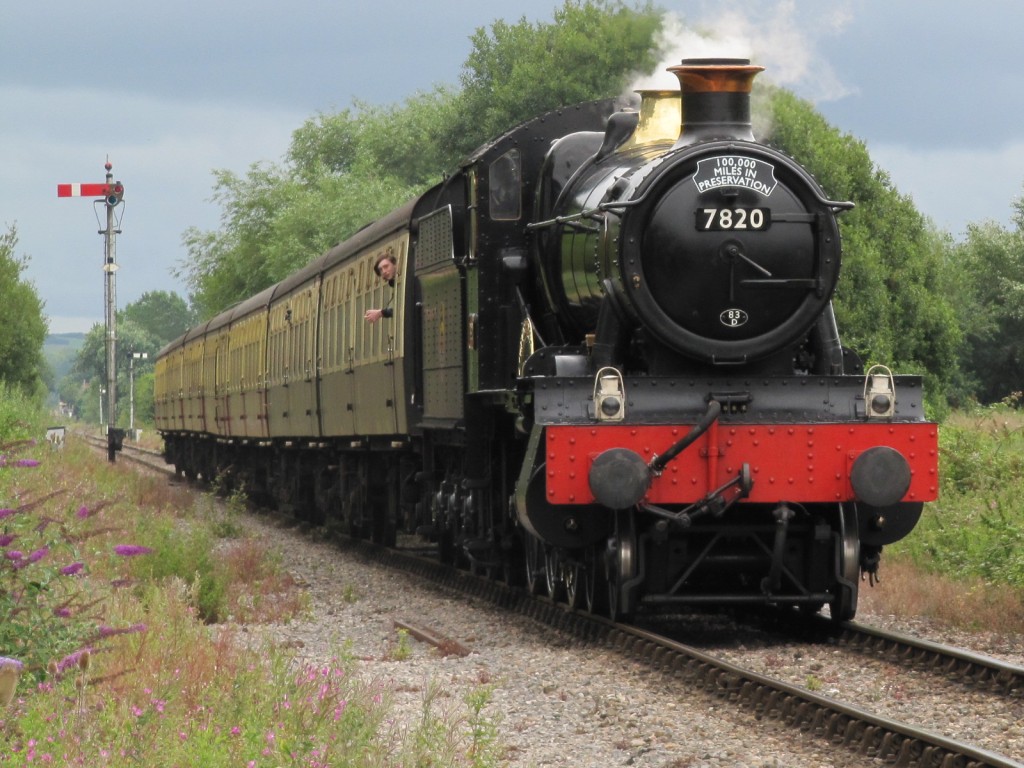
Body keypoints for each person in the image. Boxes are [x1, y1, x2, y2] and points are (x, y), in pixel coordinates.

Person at [364, 252, 397, 324]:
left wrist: (380, 313)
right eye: (381, 270)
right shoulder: (395, 286)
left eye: (386, 266)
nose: (384, 271)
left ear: (394, 265)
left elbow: (401, 309)